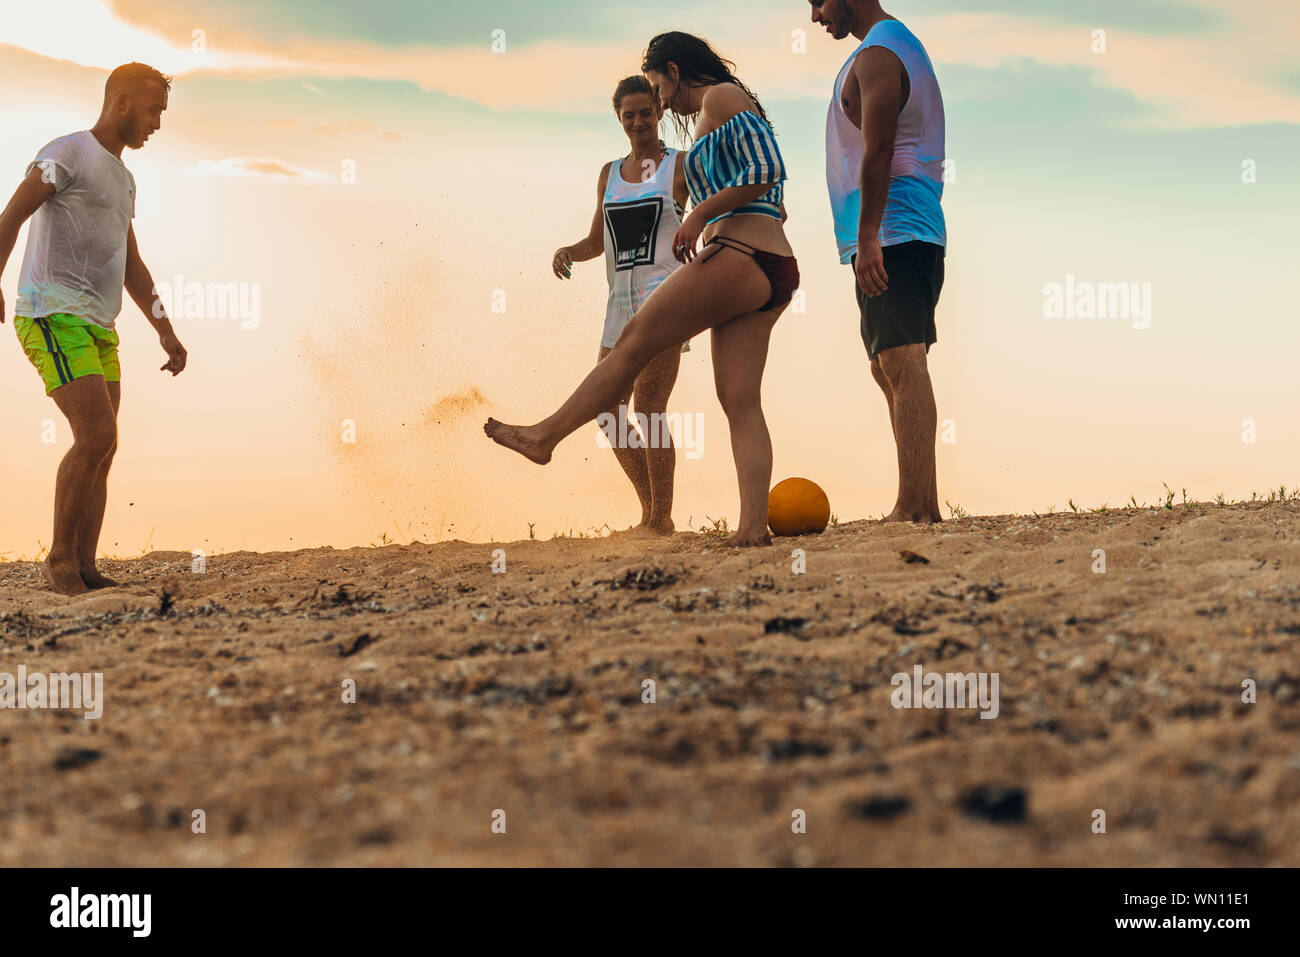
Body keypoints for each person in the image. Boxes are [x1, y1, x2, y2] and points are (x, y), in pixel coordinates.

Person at [487, 32, 800, 547]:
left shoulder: (719, 97)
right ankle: (750, 530)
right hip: (768, 266)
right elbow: (769, 190)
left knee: (634, 342)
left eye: (657, 90)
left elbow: (769, 169)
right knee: (740, 401)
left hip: (741, 256)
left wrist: (699, 214)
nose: (657, 104)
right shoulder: (707, 119)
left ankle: (545, 437)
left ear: (674, 71)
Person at [0, 62, 187, 595]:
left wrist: (165, 331)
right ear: (122, 102)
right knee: (96, 434)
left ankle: (85, 565)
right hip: (50, 313)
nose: (157, 123)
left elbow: (131, 264)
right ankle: (59, 562)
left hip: (99, 325)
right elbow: (11, 215)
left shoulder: (125, 180)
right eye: (153, 110)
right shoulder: (68, 152)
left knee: (105, 444)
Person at [813, 0, 948, 523]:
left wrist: (869, 234)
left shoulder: (878, 53)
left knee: (902, 358)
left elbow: (880, 149)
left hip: (896, 228)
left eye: (818, 2)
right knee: (885, 363)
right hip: (883, 231)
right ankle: (919, 502)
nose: (816, 16)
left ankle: (915, 507)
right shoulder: (886, 47)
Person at [552, 76, 689, 536]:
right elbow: (597, 240)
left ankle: (660, 518)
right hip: (619, 308)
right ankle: (652, 512)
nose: (637, 121)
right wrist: (569, 251)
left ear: (659, 111)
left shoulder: (679, 166)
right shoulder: (609, 173)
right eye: (628, 115)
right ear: (619, 118)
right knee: (608, 411)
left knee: (650, 407)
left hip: (665, 303)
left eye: (645, 112)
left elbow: (714, 210)